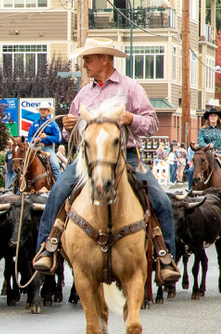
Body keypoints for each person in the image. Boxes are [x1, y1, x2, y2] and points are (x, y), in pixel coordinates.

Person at [31, 38, 180, 285]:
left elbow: (152, 124)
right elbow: (71, 137)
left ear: (105, 59)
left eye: (88, 58)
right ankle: (48, 247)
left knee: (161, 201)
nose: (84, 64)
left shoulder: (131, 88)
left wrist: (132, 118)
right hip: (88, 159)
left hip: (126, 157)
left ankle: (166, 258)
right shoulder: (83, 95)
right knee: (57, 191)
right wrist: (69, 127)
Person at [26, 102, 62, 175]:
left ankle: (59, 185)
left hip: (47, 148)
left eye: (45, 109)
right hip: (35, 147)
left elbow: (58, 139)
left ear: (48, 111)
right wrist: (34, 140)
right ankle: (13, 184)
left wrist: (46, 137)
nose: (43, 111)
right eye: (41, 109)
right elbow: (29, 137)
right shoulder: (34, 123)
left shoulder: (53, 124)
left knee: (55, 166)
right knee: (23, 161)